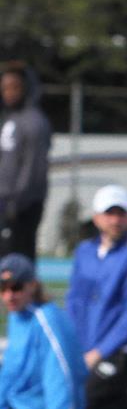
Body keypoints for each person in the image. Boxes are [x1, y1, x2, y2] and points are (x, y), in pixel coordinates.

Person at [66, 184, 127, 409]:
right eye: (110, 213)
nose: (116, 220)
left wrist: (99, 352)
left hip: (122, 351)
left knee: (78, 400)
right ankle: (125, 399)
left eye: (121, 214)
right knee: (67, 398)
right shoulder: (84, 251)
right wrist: (75, 346)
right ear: (96, 218)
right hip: (87, 350)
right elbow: (74, 301)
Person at [0, 253, 86, 409]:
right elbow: (10, 374)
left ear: (32, 285)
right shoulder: (17, 317)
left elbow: (62, 374)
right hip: (17, 405)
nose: (9, 295)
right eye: (3, 289)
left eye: (16, 287)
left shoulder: (47, 319)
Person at [0, 62, 52, 261]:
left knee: (19, 262)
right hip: (5, 203)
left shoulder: (34, 122)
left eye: (15, 88)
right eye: (4, 88)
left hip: (22, 207)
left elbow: (33, 167)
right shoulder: (10, 119)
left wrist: (16, 202)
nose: (9, 93)